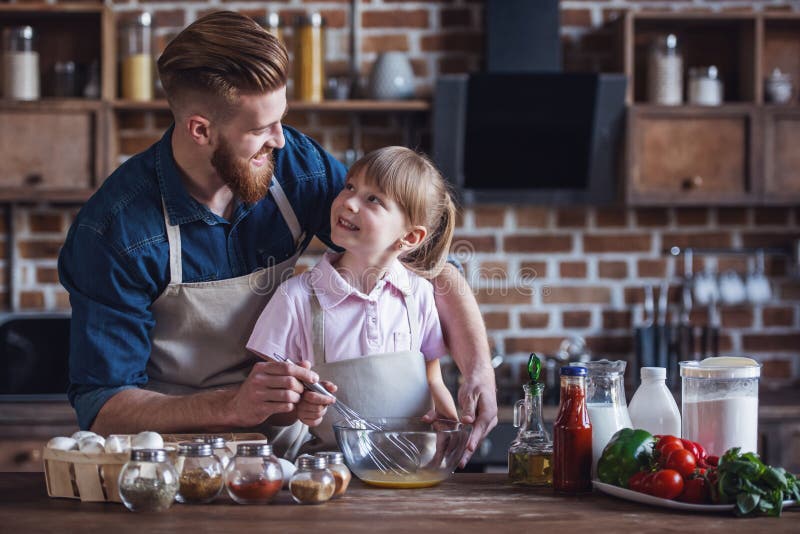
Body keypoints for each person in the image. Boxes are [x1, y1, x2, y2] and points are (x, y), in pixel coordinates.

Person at [58, 11, 496, 465]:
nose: (281, 141)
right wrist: (231, 405)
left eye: (281, 120)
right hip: (176, 460)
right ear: (201, 129)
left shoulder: (293, 169)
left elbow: (418, 260)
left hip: (282, 455)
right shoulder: (116, 232)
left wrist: (475, 367)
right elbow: (102, 405)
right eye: (259, 129)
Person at [247, 147, 459, 447]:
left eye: (373, 199)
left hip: (409, 468)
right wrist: (299, 408)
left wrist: (448, 418)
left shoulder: (419, 295)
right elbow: (269, 400)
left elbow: (432, 378)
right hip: (331, 473)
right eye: (349, 187)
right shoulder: (295, 298)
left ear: (410, 238)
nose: (348, 202)